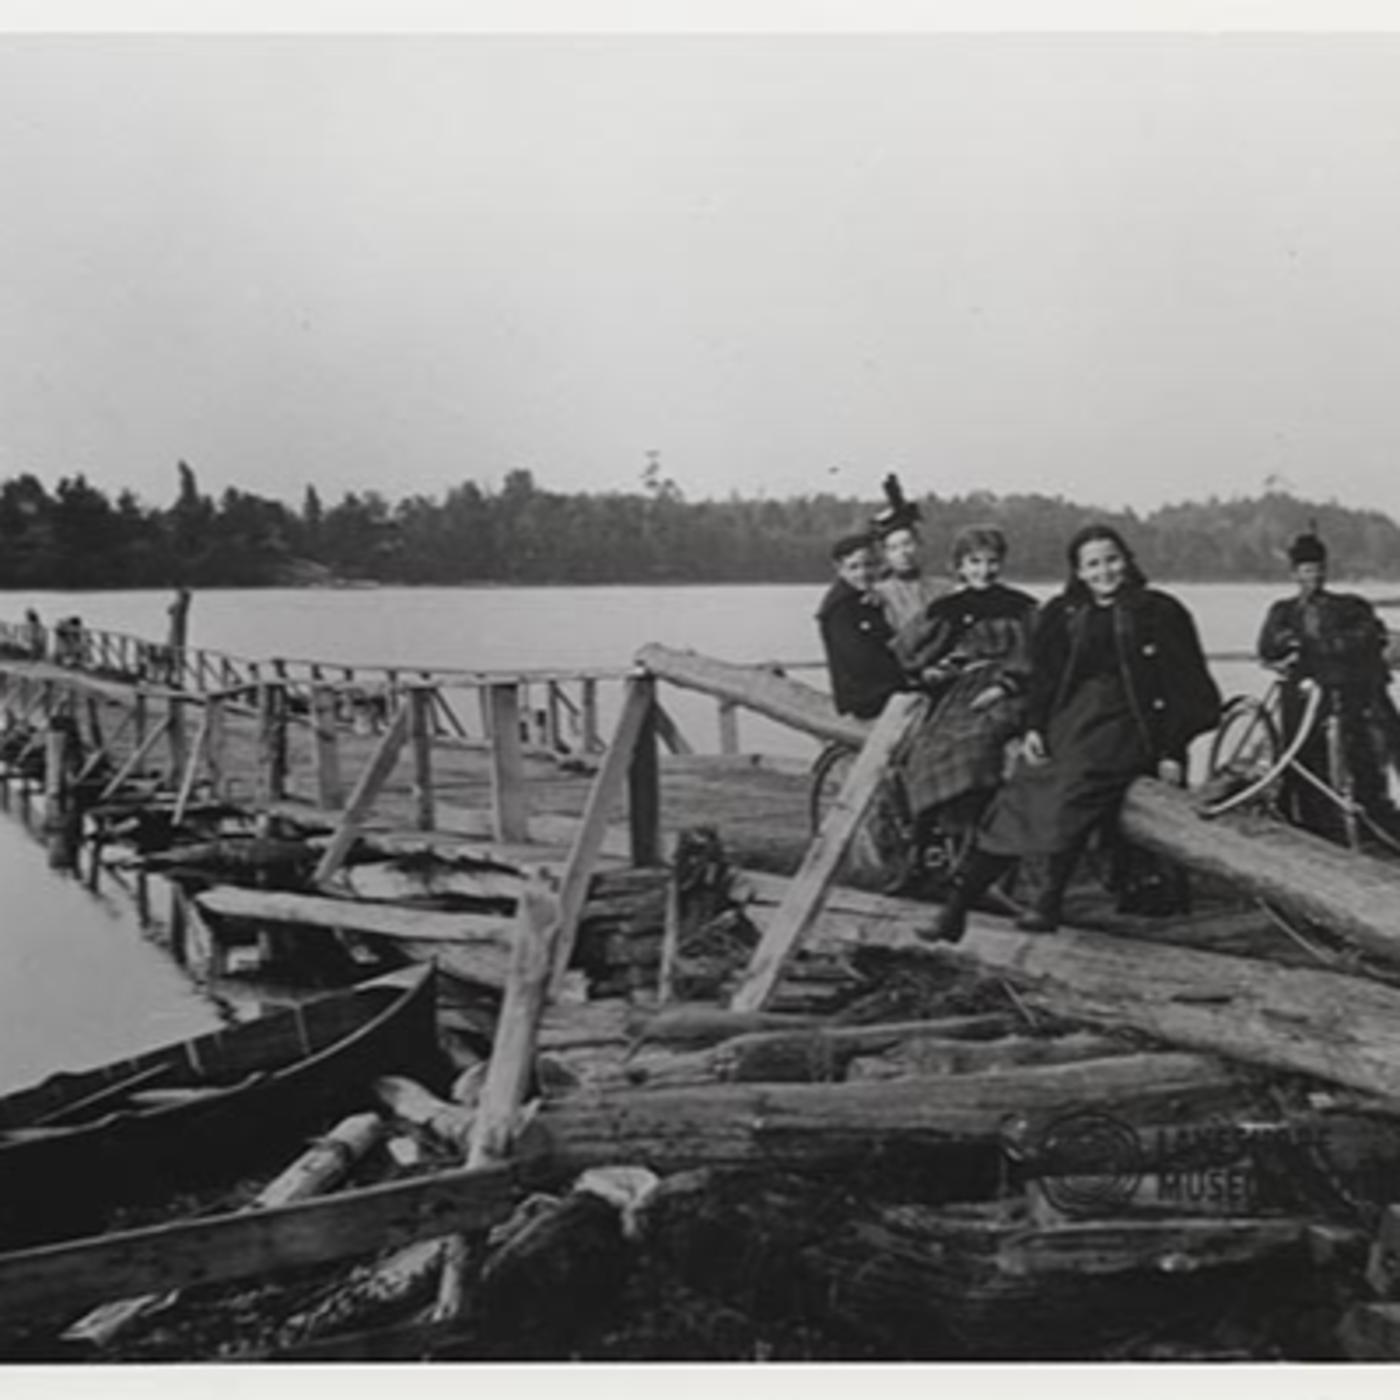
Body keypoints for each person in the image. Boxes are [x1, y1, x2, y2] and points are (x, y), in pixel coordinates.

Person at [923, 523, 1221, 939]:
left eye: (1112, 560)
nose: (1105, 572)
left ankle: (1048, 900)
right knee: (1023, 789)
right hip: (1072, 719)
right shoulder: (1063, 613)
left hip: (1134, 722)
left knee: (1074, 785)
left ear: (1127, 561)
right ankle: (956, 908)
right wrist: (1034, 728)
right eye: (1093, 564)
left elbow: (1190, 686)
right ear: (1079, 572)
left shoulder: (1159, 611)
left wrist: (1173, 749)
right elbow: (1044, 678)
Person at [889, 524, 1037, 846]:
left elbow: (1037, 655)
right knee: (931, 746)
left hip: (1012, 686)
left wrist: (1005, 684)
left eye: (991, 561)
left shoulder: (1021, 605)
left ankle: (976, 824)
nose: (984, 570)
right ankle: (932, 832)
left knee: (982, 738)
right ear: (959, 567)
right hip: (963, 688)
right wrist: (931, 671)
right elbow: (908, 649)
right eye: (974, 562)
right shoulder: (950, 607)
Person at [1256, 528, 1400, 840]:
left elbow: (1367, 636)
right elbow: (1267, 647)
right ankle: (1315, 826)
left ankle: (1373, 826)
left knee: (1365, 763)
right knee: (1306, 764)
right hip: (1303, 703)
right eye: (1307, 570)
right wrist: (1291, 643)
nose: (1315, 577)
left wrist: (1317, 643)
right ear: (1295, 574)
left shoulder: (1350, 607)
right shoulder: (1283, 612)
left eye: (1319, 569)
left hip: (1351, 699)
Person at [817, 531, 908, 719]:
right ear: (839, 569)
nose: (863, 573)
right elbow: (863, 663)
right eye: (854, 567)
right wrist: (912, 675)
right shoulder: (840, 609)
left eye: (869, 565)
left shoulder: (865, 599)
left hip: (881, 691)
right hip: (865, 701)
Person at [870, 473, 947, 631]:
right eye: (893, 548)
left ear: (919, 544)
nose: (903, 553)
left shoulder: (944, 589)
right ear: (886, 554)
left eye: (907, 544)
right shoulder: (878, 595)